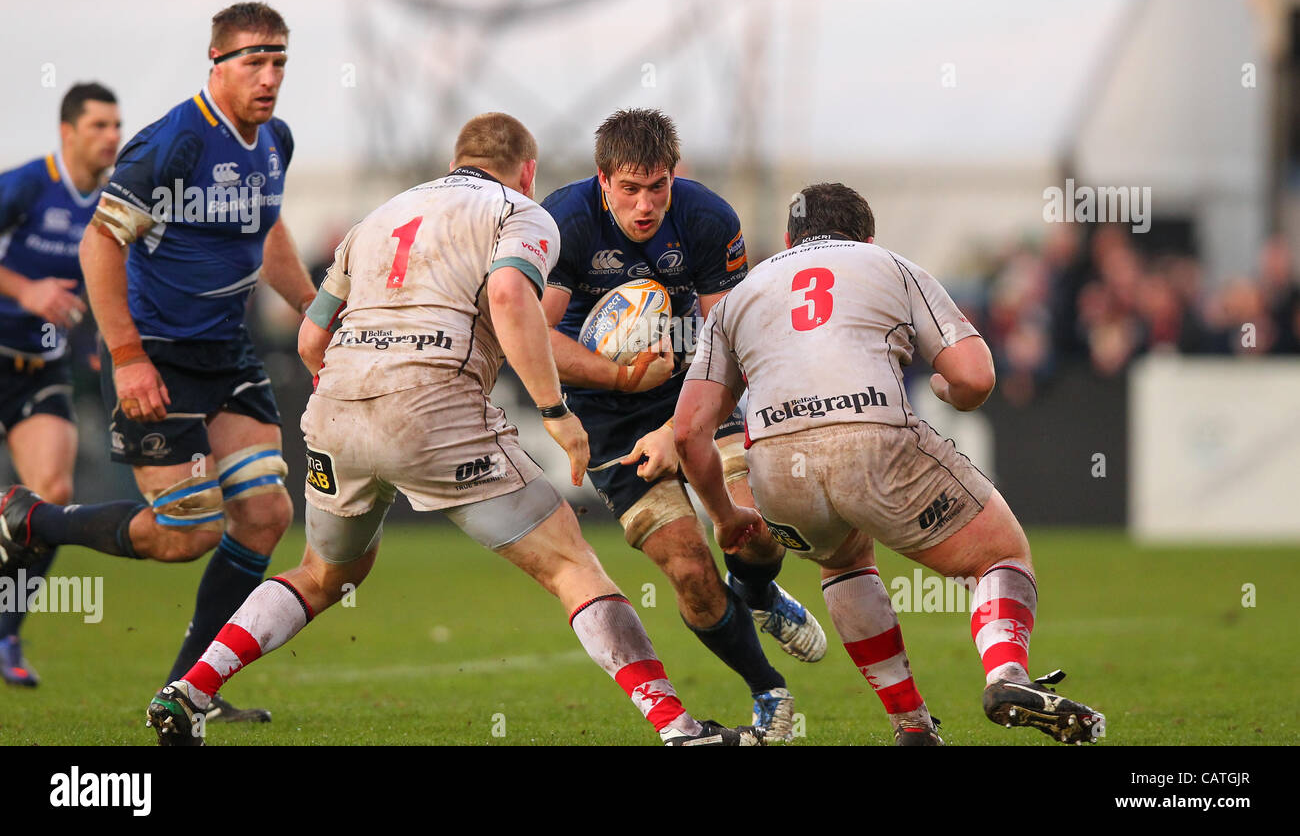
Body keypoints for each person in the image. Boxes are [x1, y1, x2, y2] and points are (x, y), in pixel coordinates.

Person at [144, 112, 761, 747]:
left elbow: (310, 338)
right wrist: (555, 411)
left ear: (453, 163)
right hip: (436, 411)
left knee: (324, 575)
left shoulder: (376, 220)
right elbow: (509, 299)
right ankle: (682, 731)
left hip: (335, 413)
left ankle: (191, 688)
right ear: (528, 171)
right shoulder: (521, 213)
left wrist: (360, 389)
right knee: (573, 567)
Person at [673, 182, 1107, 745]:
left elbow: (688, 433)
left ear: (787, 239)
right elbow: (975, 375)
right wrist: (952, 394)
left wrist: (725, 516)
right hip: (872, 438)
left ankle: (910, 724)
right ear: (868, 237)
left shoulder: (740, 294)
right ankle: (1006, 673)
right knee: (1000, 554)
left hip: (778, 466)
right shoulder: (892, 266)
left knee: (844, 563)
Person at [0, 2, 317, 724]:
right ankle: (33, 517)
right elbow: (98, 245)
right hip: (158, 354)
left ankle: (188, 692)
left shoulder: (276, 140)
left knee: (266, 514)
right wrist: (128, 358)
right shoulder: (174, 142)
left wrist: (313, 310)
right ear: (216, 62)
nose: (270, 78)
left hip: (226, 352)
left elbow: (266, 232)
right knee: (186, 534)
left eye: (280, 64)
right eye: (254, 63)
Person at [538, 109, 826, 742]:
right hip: (609, 419)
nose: (645, 205)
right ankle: (768, 689)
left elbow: (734, 343)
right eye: (630, 189)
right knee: (691, 569)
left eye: (658, 186)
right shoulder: (565, 222)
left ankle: (756, 590)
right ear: (603, 179)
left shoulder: (707, 219)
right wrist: (616, 380)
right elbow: (531, 339)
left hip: (697, 393)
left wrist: (678, 427)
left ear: (675, 176)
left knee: (755, 530)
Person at [0, 83, 121, 685]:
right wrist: (24, 289)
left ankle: (4, 634)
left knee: (48, 493)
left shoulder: (111, 206)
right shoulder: (27, 184)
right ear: (67, 131)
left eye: (117, 125)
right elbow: (35, 283)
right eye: (99, 125)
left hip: (40, 369)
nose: (112, 137)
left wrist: (107, 341)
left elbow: (109, 282)